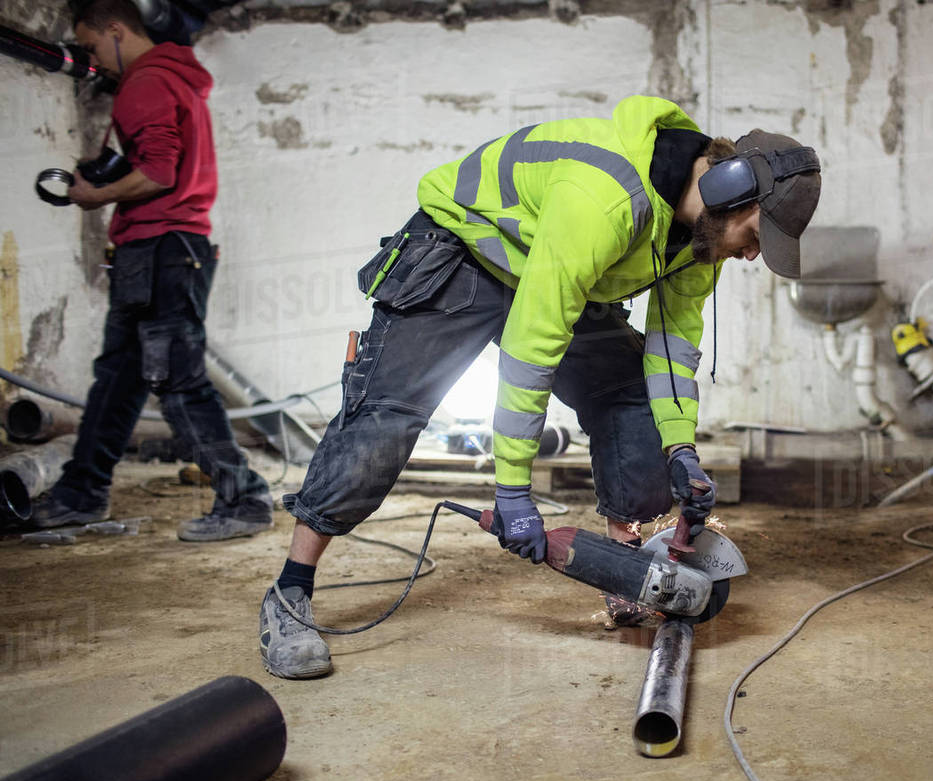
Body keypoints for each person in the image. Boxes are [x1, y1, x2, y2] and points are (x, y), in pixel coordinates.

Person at [258, 95, 821, 679]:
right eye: (757, 236)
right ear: (730, 192)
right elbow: (534, 347)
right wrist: (512, 492)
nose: (752, 255)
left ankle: (627, 572)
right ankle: (290, 592)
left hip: (548, 265)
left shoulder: (702, 239)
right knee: (386, 416)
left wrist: (681, 450)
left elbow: (673, 347)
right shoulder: (607, 197)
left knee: (631, 397)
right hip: (462, 251)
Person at [30, 0, 273, 541]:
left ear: (117, 30)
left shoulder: (146, 83)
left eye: (92, 46)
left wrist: (95, 195)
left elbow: (159, 173)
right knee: (118, 379)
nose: (93, 59)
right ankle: (81, 492)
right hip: (160, 249)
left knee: (178, 381)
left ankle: (244, 499)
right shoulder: (174, 80)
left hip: (161, 247)